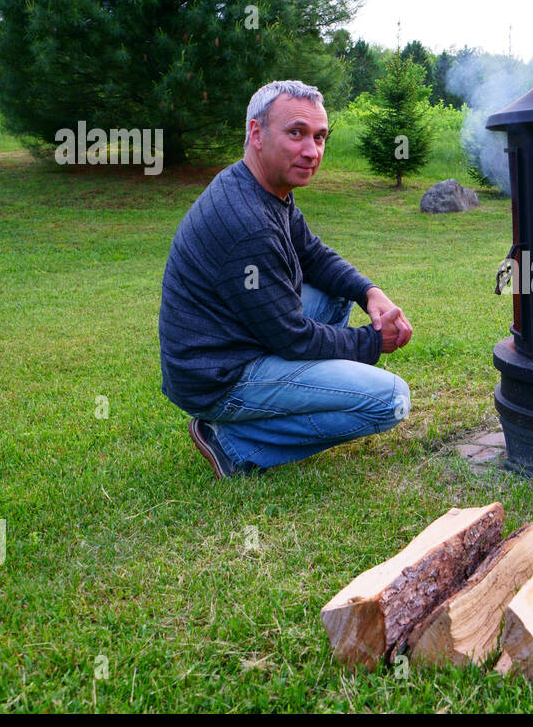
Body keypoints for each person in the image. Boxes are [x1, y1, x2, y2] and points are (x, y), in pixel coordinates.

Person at [158, 80, 412, 478]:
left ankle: (273, 403)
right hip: (217, 377)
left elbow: (311, 253)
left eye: (320, 137)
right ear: (256, 134)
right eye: (296, 133)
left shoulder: (261, 186)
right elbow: (293, 338)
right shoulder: (247, 223)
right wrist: (371, 342)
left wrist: (368, 292)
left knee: (336, 295)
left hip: (232, 342)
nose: (312, 151)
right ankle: (232, 444)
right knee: (391, 398)